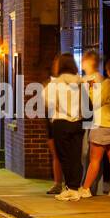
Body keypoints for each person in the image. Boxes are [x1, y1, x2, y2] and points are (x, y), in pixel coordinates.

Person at [72, 58, 110, 199]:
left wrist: (89, 90)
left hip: (102, 124)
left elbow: (96, 101)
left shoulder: (107, 83)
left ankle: (86, 188)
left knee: (95, 159)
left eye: (107, 69)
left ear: (109, 69)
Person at [47, 54, 85, 199]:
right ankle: (75, 187)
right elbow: (88, 103)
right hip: (77, 122)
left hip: (61, 122)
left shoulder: (55, 84)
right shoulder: (80, 83)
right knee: (75, 156)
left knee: (64, 156)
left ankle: (69, 187)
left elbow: (48, 102)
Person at [79, 49, 103, 194]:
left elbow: (97, 100)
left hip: (94, 118)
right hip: (86, 118)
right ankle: (87, 184)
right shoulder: (84, 79)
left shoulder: (97, 79)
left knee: (89, 153)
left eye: (84, 60)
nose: (82, 62)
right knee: (84, 153)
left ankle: (90, 186)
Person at [43, 54, 67, 194]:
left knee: (65, 155)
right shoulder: (51, 84)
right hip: (52, 123)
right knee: (56, 155)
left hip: (63, 121)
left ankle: (68, 184)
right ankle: (58, 183)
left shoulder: (67, 83)